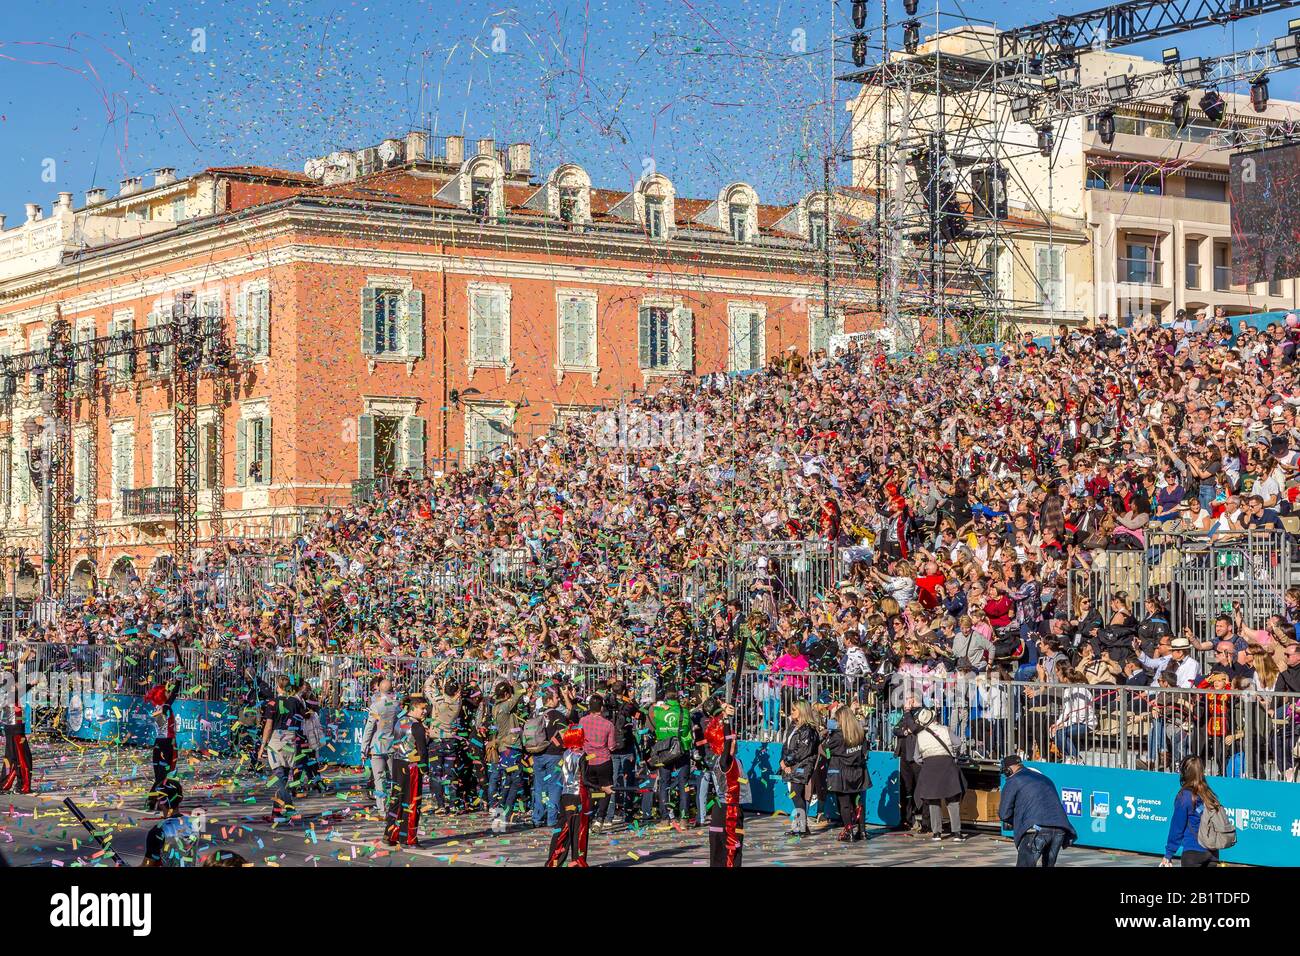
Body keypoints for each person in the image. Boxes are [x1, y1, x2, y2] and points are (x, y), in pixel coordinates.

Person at [998, 755, 1076, 867]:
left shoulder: (1013, 780)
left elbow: (1004, 814)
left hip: (1036, 828)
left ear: (1008, 770)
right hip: (1060, 828)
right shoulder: (1044, 778)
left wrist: (1016, 822)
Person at [913, 708, 968, 842]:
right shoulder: (945, 729)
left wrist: (927, 761)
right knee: (952, 801)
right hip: (947, 766)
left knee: (933, 801)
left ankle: (937, 833)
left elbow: (916, 757)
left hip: (929, 767)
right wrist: (952, 753)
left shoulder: (920, 735)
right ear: (934, 718)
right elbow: (958, 743)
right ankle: (957, 833)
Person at [384, 693, 431, 848]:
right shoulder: (416, 726)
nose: (425, 711)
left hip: (398, 763)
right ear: (413, 708)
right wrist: (425, 770)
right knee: (412, 802)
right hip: (411, 766)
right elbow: (422, 751)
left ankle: (391, 834)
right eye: (422, 708)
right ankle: (409, 838)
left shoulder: (400, 721)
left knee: (397, 799)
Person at [257, 674, 305, 820]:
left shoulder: (273, 703)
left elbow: (268, 726)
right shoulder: (296, 703)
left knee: (278, 777)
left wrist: (262, 746)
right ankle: (276, 812)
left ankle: (290, 807)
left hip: (277, 740)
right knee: (283, 776)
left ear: (278, 686)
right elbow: (301, 722)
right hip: (291, 739)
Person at [1162, 755, 1222, 867]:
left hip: (1193, 853)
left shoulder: (1184, 797)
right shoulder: (1209, 794)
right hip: (1212, 853)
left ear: (1184, 773)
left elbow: (1177, 828)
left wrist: (1168, 854)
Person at [544, 726, 591, 867]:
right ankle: (577, 861)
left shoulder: (565, 753)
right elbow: (586, 780)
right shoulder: (583, 756)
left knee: (563, 830)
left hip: (565, 796)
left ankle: (554, 862)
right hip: (578, 797)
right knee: (578, 832)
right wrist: (602, 788)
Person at [704, 701, 744, 867]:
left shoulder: (715, 758)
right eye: (733, 740)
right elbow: (727, 743)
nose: (736, 742)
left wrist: (720, 715)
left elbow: (714, 732)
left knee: (717, 849)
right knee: (731, 849)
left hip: (718, 811)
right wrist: (726, 719)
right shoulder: (724, 761)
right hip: (729, 811)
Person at [823, 703, 869, 842]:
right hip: (858, 772)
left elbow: (826, 749)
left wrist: (826, 737)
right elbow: (864, 753)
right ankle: (862, 832)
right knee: (858, 802)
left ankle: (848, 831)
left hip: (842, 773)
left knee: (845, 804)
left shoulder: (837, 736)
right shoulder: (860, 734)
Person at [779, 699, 821, 836]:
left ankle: (801, 827)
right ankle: (801, 826)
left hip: (802, 765)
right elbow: (786, 746)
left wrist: (787, 762)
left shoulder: (808, 729)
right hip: (791, 765)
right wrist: (783, 761)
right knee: (795, 795)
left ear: (801, 711)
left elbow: (803, 750)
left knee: (797, 794)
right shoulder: (793, 726)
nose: (791, 713)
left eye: (794, 710)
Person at [360, 675, 400, 815]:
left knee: (379, 778)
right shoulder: (396, 705)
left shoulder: (376, 706)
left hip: (377, 745)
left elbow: (369, 728)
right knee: (395, 777)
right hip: (392, 744)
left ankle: (382, 808)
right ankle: (396, 805)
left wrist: (363, 747)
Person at [577, 692, 616, 827]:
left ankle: (589, 815)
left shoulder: (582, 721)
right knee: (606, 789)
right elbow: (611, 746)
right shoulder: (608, 724)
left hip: (588, 760)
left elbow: (579, 739)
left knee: (591, 789)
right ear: (602, 708)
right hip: (604, 760)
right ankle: (600, 818)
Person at [144, 681, 180, 811]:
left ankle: (156, 800)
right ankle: (152, 799)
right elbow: (174, 695)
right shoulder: (165, 707)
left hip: (158, 744)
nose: (168, 692)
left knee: (160, 776)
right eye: (166, 691)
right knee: (163, 776)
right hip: (167, 744)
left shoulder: (157, 708)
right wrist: (179, 681)